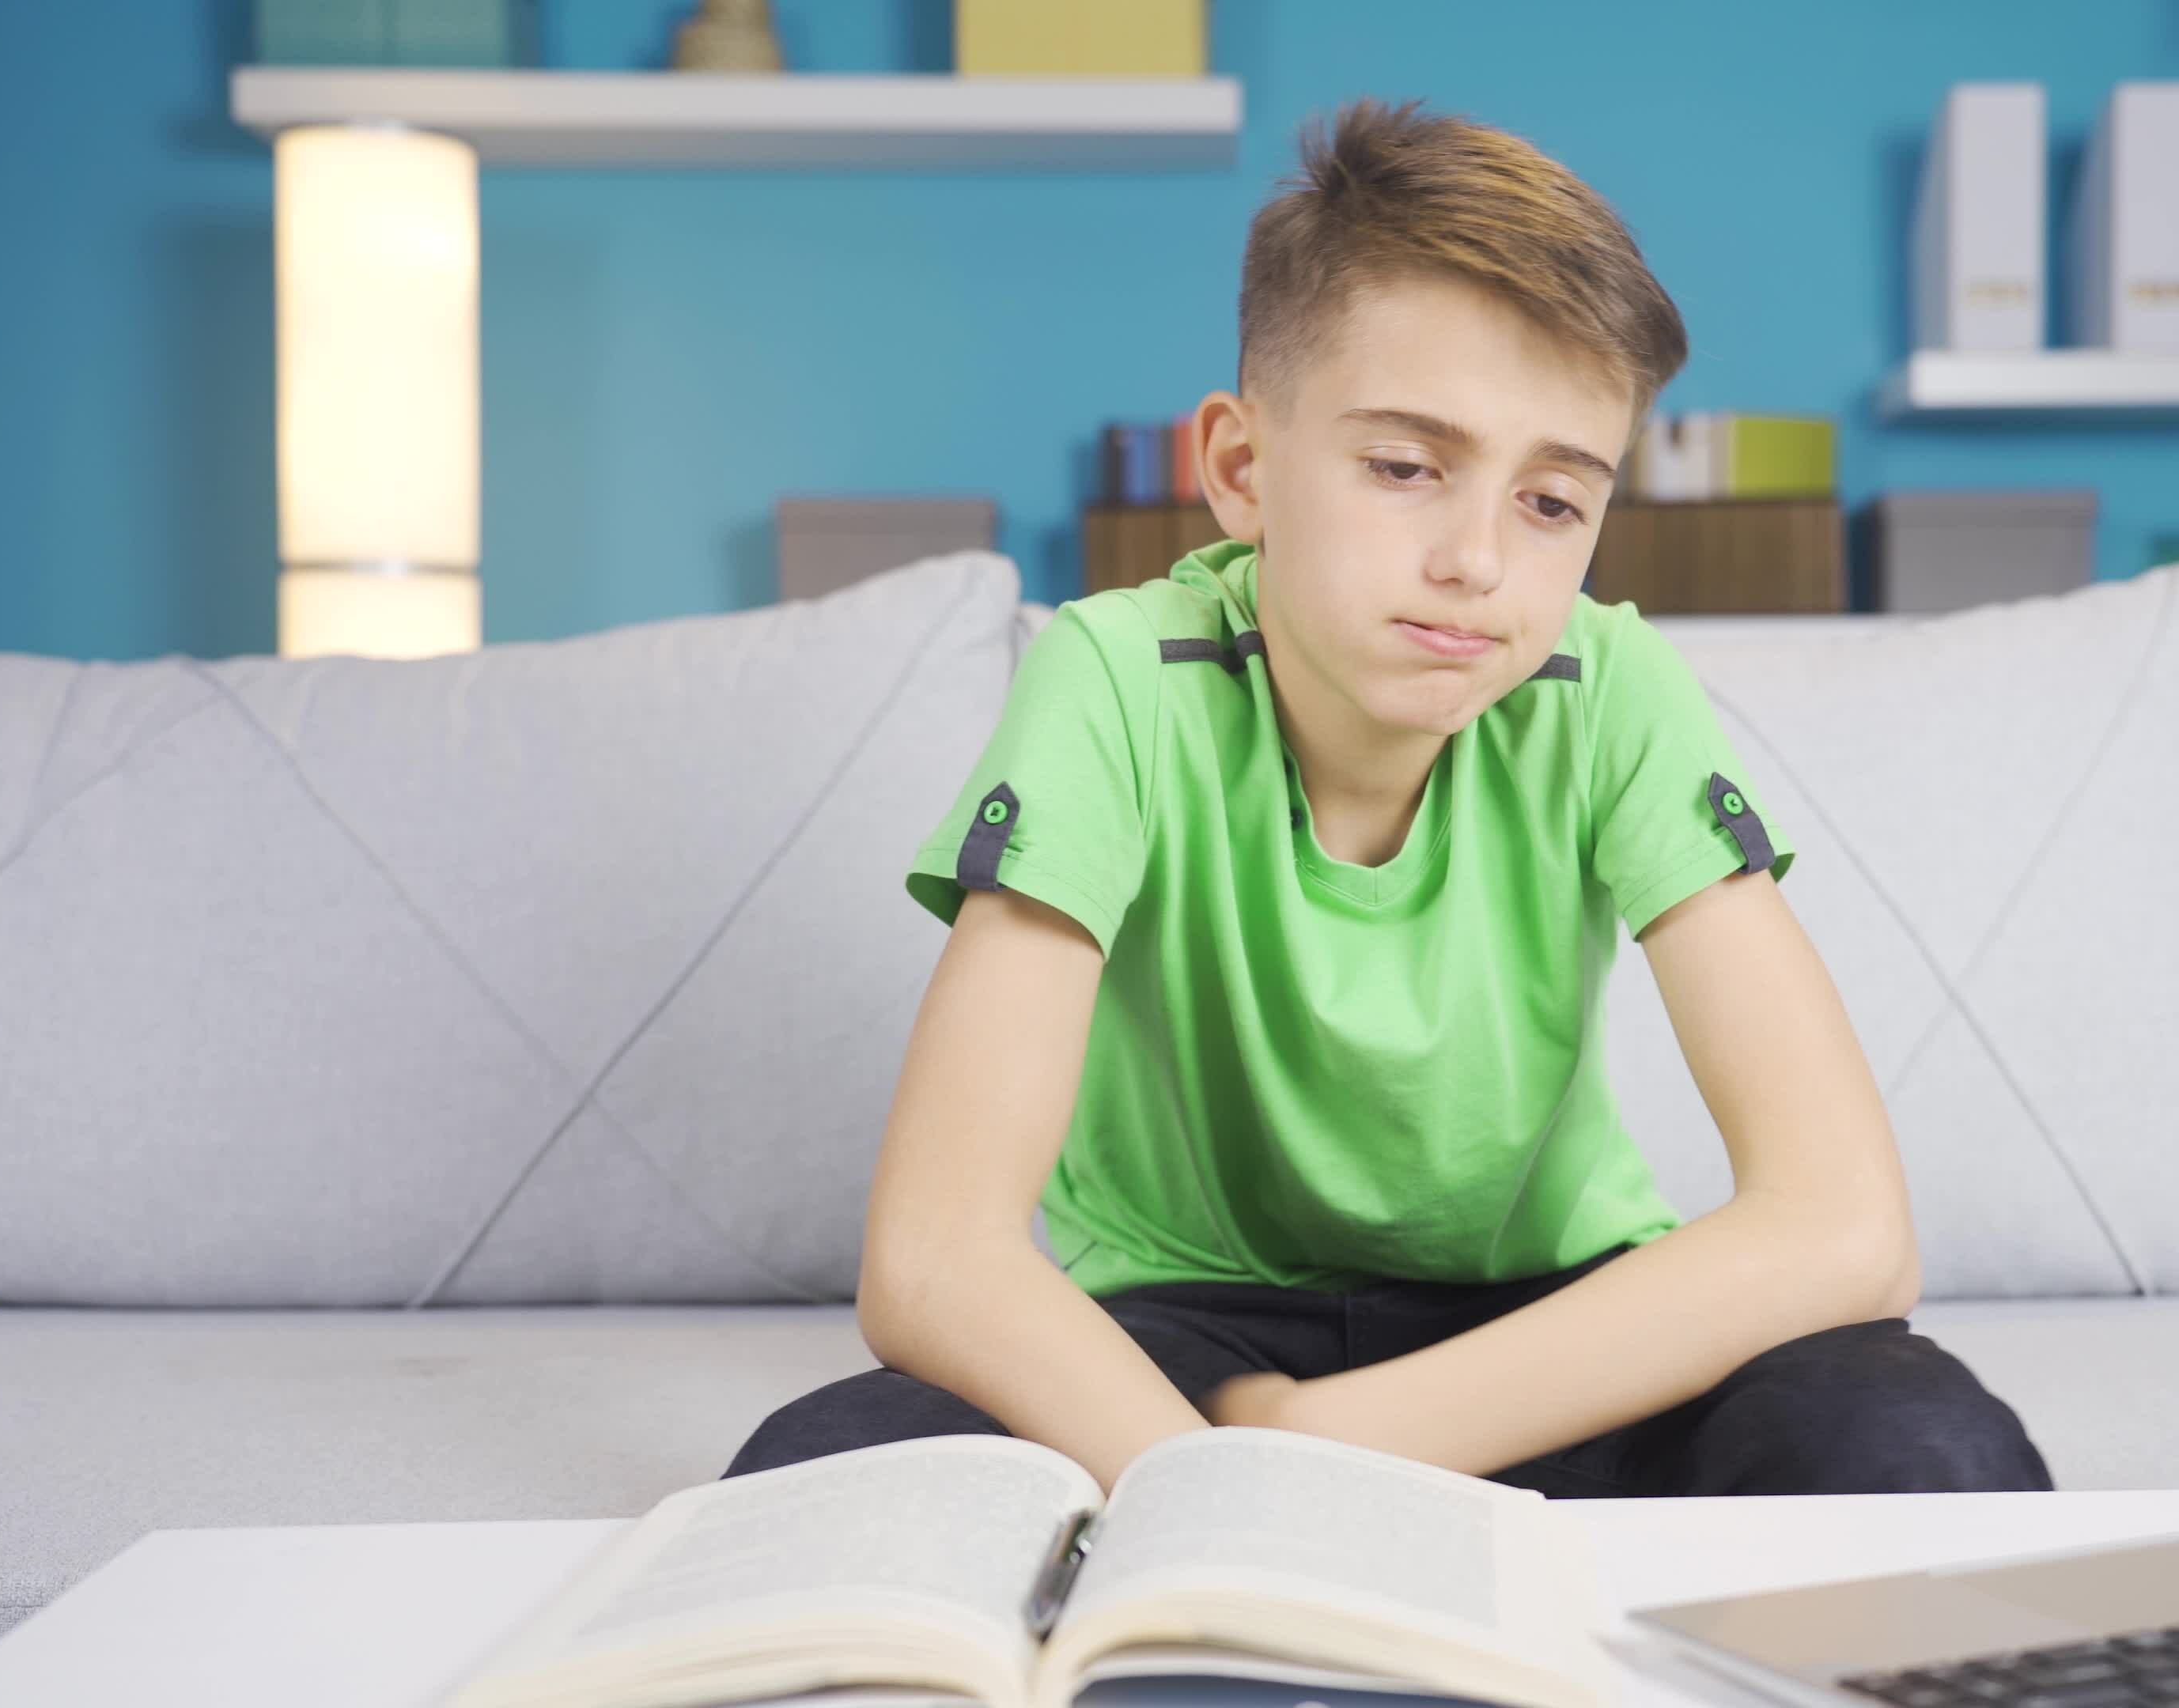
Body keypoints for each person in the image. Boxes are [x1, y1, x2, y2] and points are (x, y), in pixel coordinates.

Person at [728, 97, 2049, 1500]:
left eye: (1552, 503)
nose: (1478, 559)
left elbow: (1843, 1227)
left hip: (1549, 1328)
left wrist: (1318, 1449)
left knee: (1918, 1445)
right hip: (1187, 1342)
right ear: (1241, 468)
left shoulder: (1609, 688)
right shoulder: (1114, 681)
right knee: (827, 1477)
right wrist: (1211, 1480)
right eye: (1407, 469)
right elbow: (938, 1259)